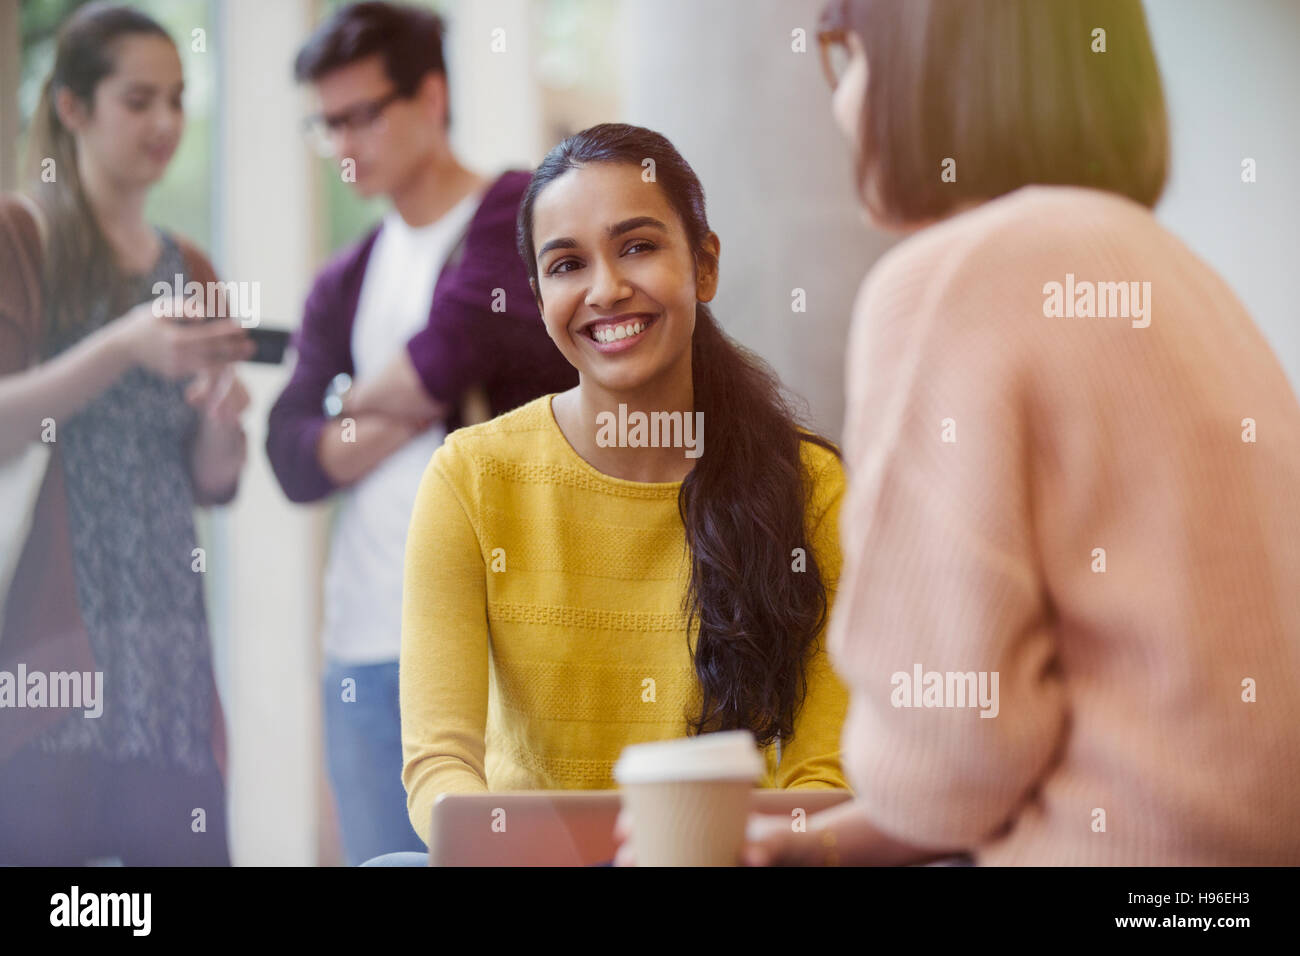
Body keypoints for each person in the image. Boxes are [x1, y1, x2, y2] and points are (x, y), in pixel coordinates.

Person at [740, 0, 1300, 866]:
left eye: (849, 56)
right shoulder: (1182, 275)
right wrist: (824, 841)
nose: (843, 103)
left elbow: (947, 758)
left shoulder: (954, 279)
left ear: (927, 68)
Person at [384, 122, 852, 863]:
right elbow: (440, 767)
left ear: (703, 266)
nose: (606, 290)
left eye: (637, 246)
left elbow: (823, 775)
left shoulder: (814, 490)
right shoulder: (470, 477)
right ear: (539, 300)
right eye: (567, 264)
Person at [265, 1, 576, 865]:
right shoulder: (346, 277)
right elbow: (291, 457)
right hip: (364, 645)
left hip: (497, 643)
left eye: (362, 114)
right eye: (327, 123)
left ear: (432, 97)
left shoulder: (516, 212)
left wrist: (352, 406)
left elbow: (445, 358)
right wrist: (400, 403)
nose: (342, 143)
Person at [0, 4, 253, 865]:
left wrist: (222, 424)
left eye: (177, 100)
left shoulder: (190, 265)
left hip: (167, 656)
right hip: (50, 649)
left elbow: (213, 482)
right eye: (138, 100)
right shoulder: (20, 238)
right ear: (72, 107)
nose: (166, 124)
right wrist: (123, 347)